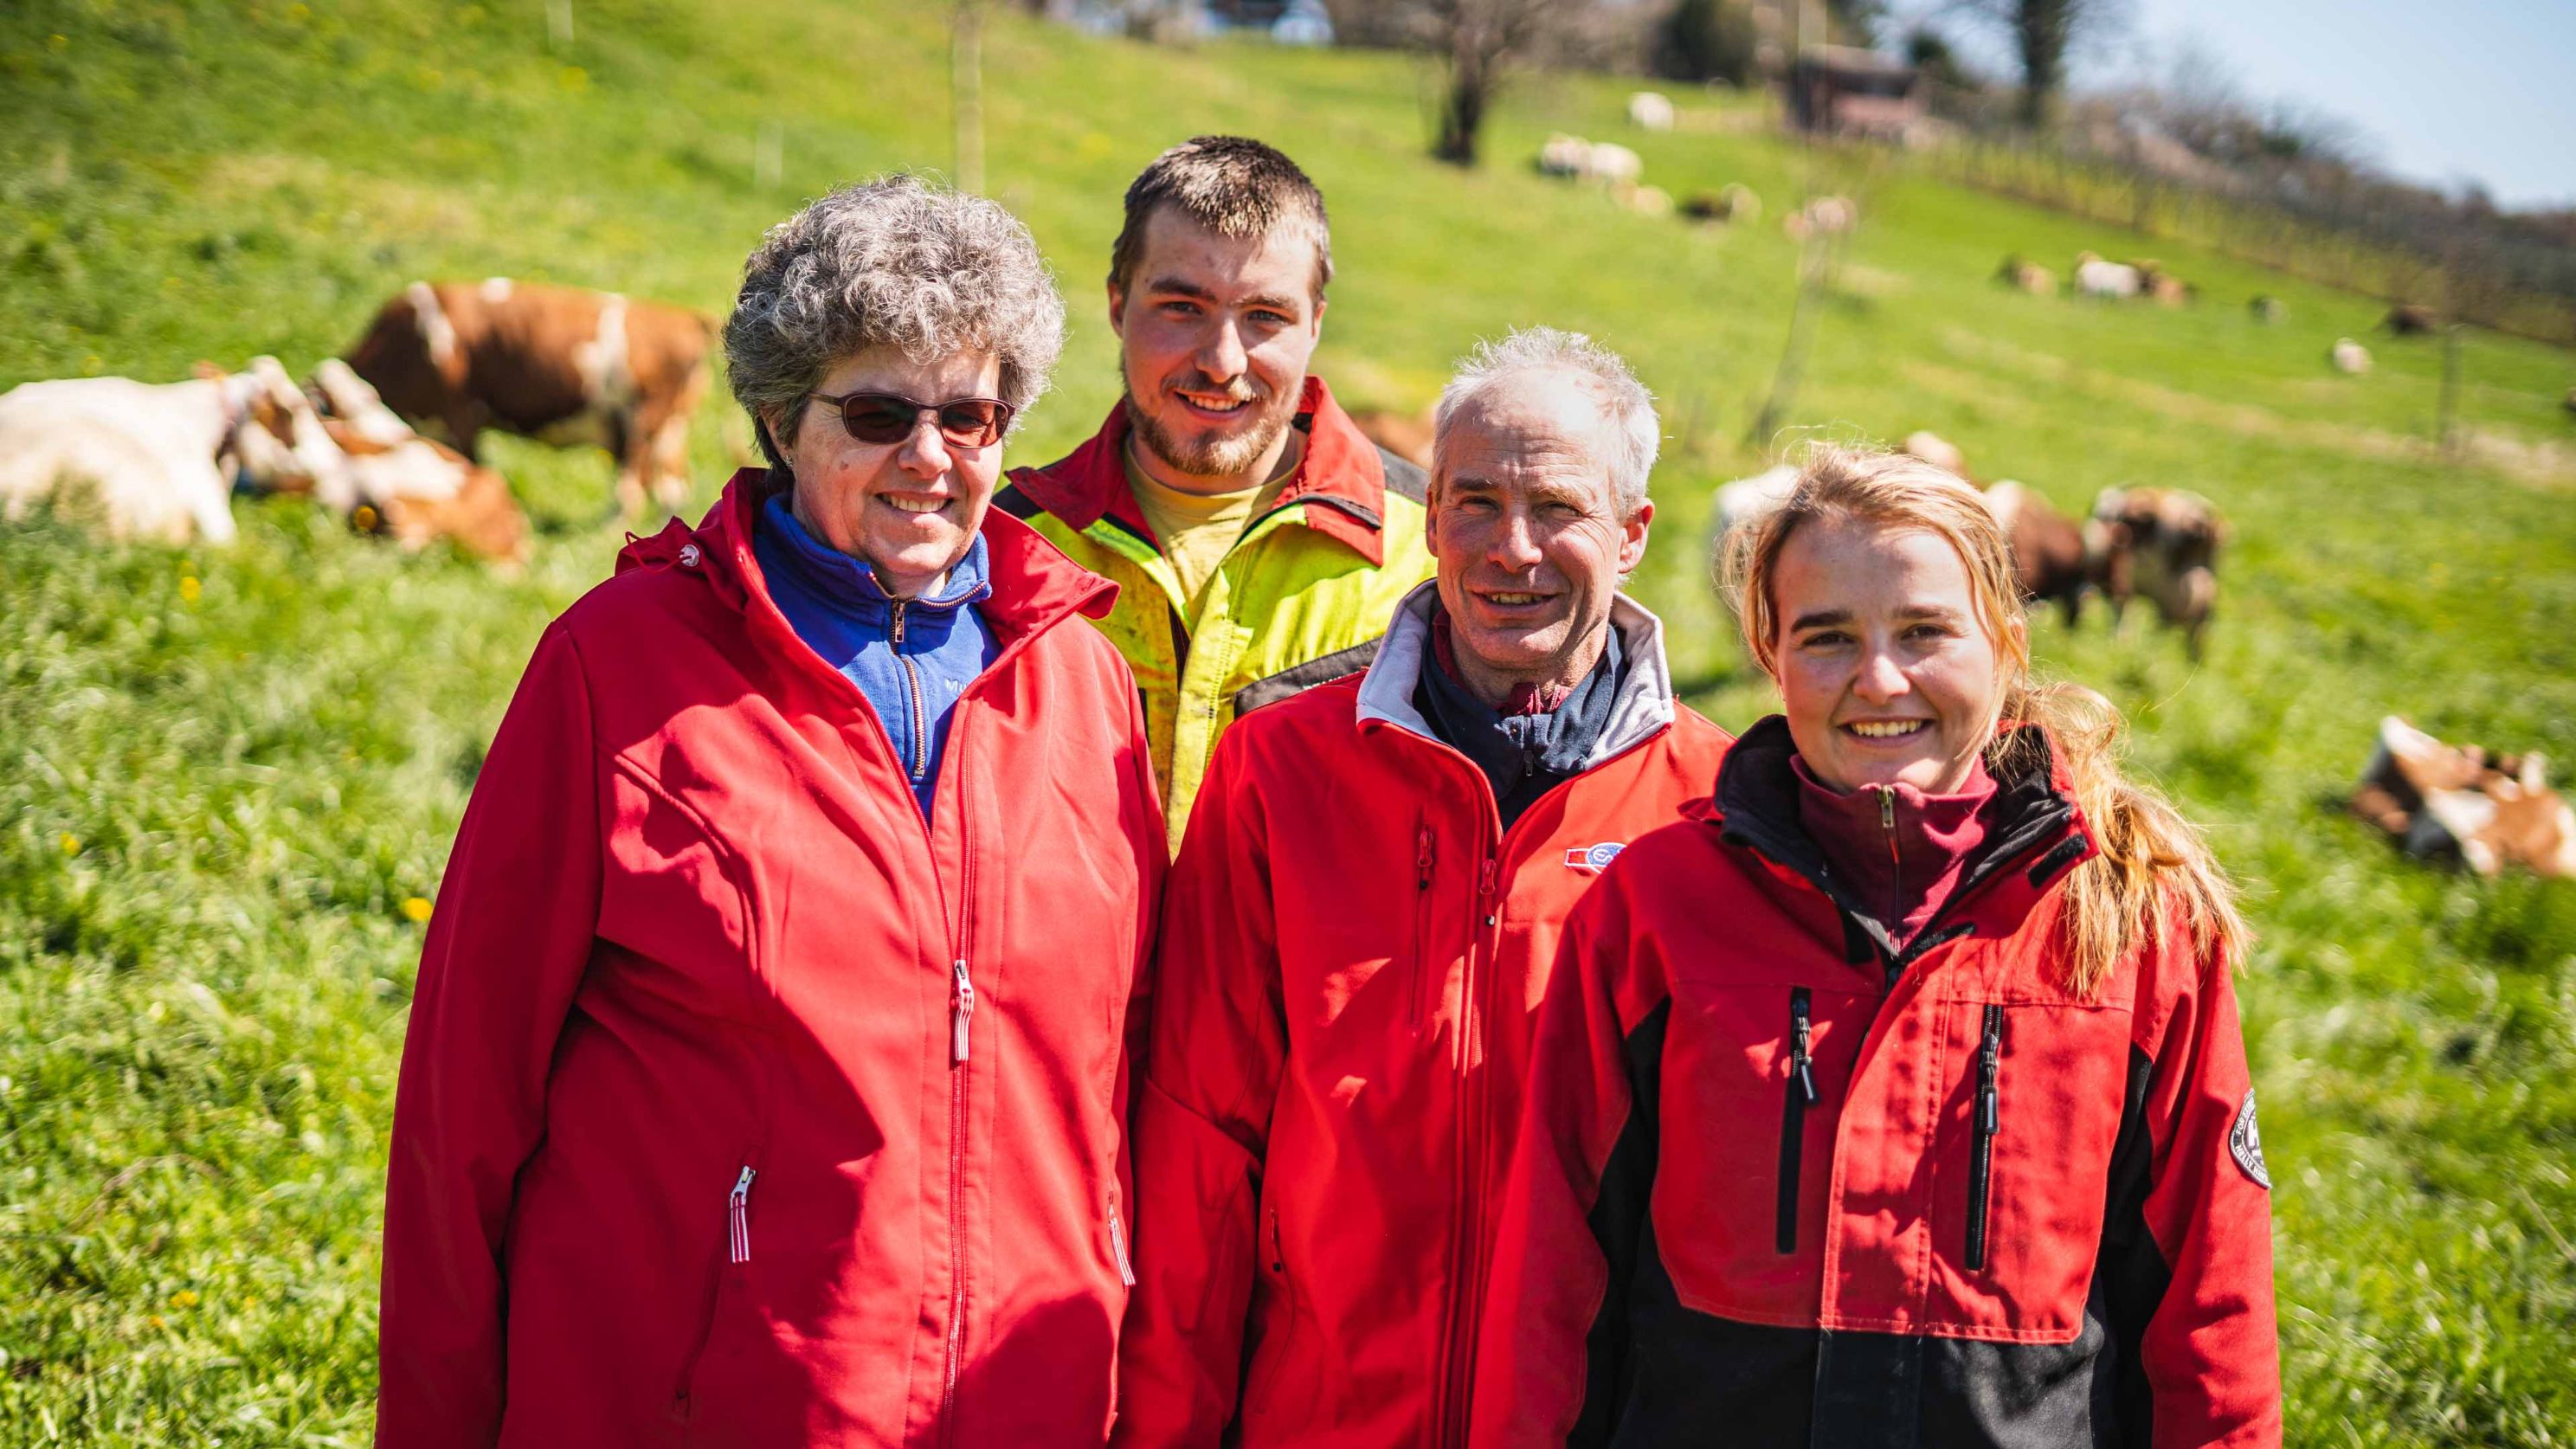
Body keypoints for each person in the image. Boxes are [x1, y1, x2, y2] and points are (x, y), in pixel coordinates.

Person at [376, 177, 1166, 1447]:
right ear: (781, 418)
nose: (930, 456)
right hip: (716, 1405)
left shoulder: (1084, 681)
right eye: (877, 413)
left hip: (1027, 1402)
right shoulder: (615, 668)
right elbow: (462, 1108)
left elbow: (1125, 1084)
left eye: (969, 415)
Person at [1472, 447, 2280, 1446]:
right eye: (1828, 637)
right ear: (1769, 653)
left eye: (1925, 631)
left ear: (2007, 642)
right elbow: (1554, 1281)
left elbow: (2212, 1313)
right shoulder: (1655, 909)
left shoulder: (2134, 928)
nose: (1880, 679)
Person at [1114, 329, 1733, 1449]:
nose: (1512, 547)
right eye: (1476, 502)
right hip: (1319, 1419)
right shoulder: (1280, 769)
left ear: (1634, 533)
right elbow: (1201, 1142)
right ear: (1432, 516)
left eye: (1558, 508)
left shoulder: (1715, 814)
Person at [998, 135, 1437, 851]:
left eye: (1265, 316)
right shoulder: (1007, 546)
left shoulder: (1434, 550)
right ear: (1118, 305)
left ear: (1315, 323)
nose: (1222, 362)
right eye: (1182, 307)